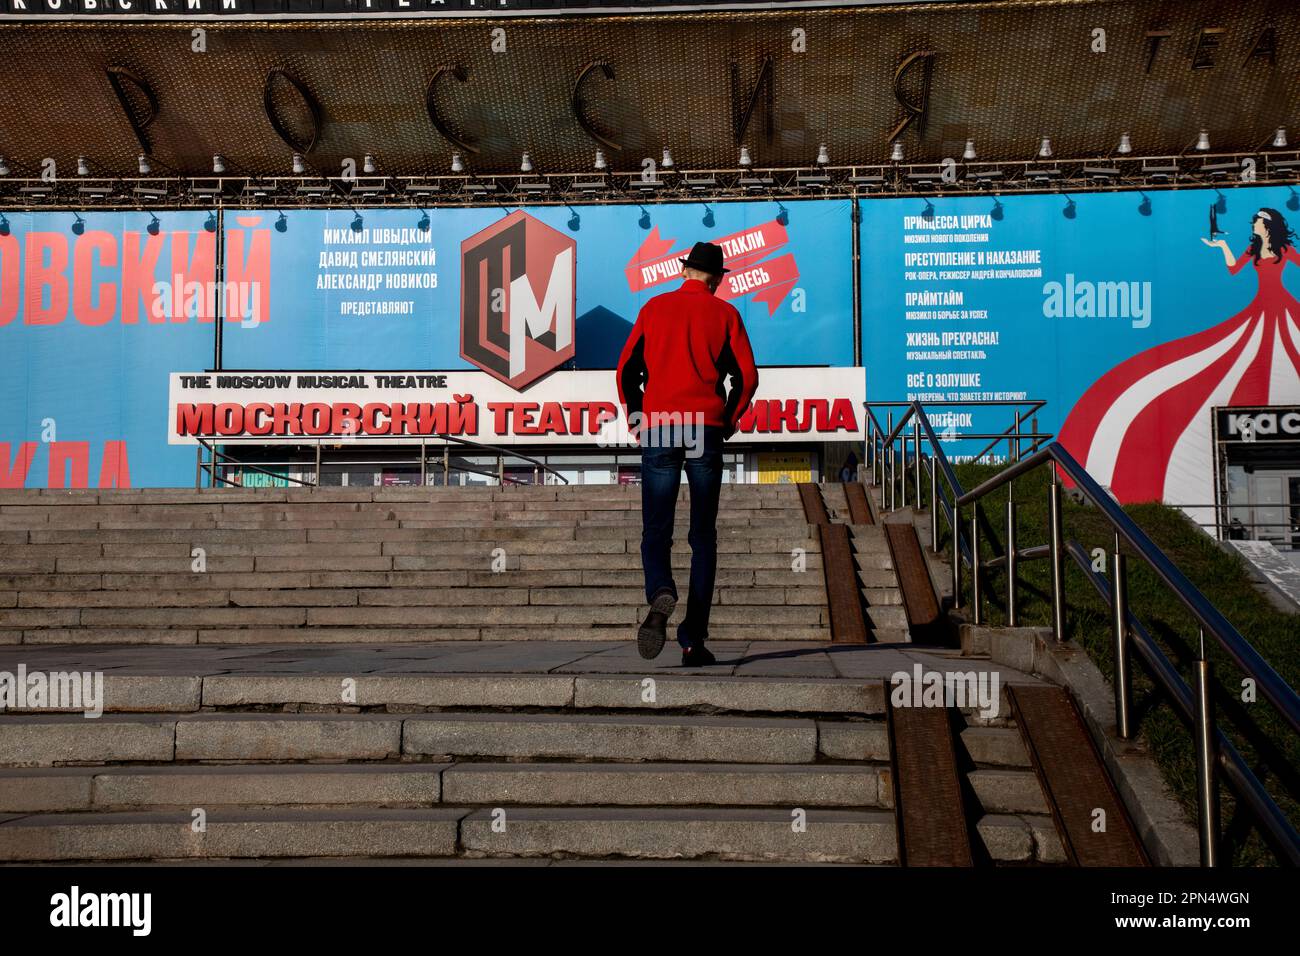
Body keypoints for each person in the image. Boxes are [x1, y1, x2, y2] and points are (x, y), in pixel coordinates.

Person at [1059, 207, 1300, 506]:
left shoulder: (1285, 249)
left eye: (1257, 220)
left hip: (1281, 306)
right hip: (1260, 307)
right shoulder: (1252, 250)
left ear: (1267, 225)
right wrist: (1222, 246)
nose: (1253, 223)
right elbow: (1233, 269)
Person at [616, 241, 759, 665]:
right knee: (703, 537)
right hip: (705, 428)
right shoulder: (726, 314)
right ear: (716, 279)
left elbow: (626, 370)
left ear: (684, 271)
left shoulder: (654, 309)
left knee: (656, 529)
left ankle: (661, 589)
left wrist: (637, 416)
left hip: (660, 425)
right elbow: (747, 378)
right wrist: (729, 418)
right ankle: (693, 640)